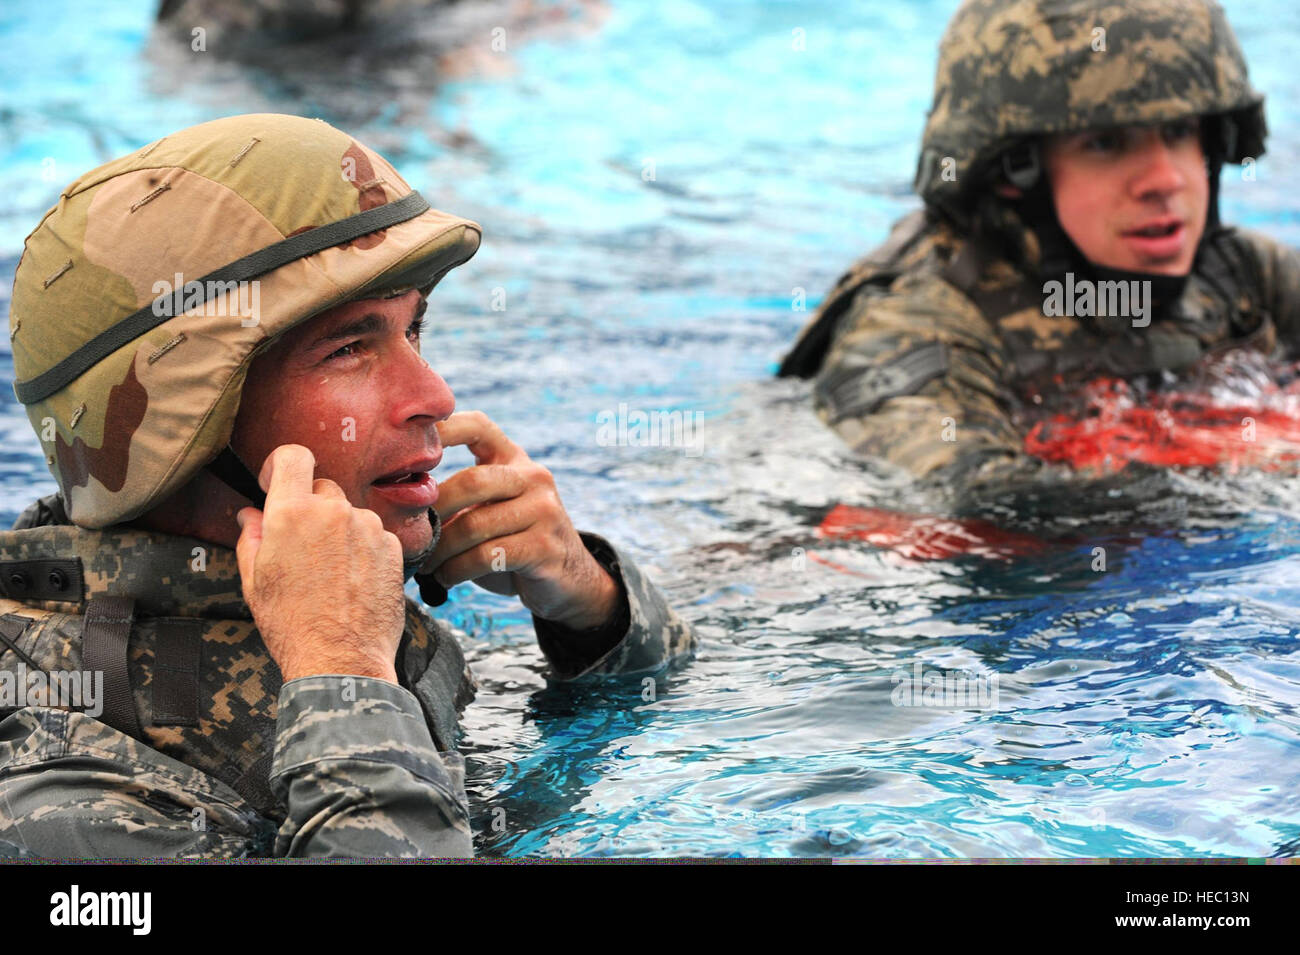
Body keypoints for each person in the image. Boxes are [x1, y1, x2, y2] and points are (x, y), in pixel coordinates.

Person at [0, 113, 694, 858]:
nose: (433, 394)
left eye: (414, 331)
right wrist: (345, 669)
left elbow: (661, 716)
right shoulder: (58, 792)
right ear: (186, 425)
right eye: (349, 349)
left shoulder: (343, 599)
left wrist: (588, 605)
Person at [779, 0, 1300, 506]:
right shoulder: (921, 326)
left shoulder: (1243, 276)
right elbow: (965, 504)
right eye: (1106, 144)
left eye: (1181, 131)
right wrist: (1240, 467)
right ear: (1014, 174)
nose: (1165, 180)